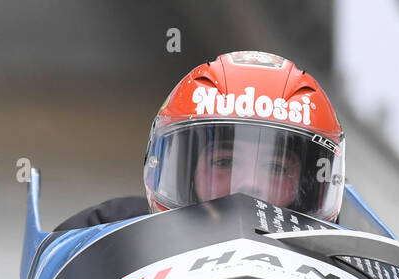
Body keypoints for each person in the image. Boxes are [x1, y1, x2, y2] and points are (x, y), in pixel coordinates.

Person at [55, 50, 345, 230]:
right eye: (224, 162)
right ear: (185, 174)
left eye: (276, 167)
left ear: (308, 187)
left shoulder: (360, 265)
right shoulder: (96, 234)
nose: (247, 186)